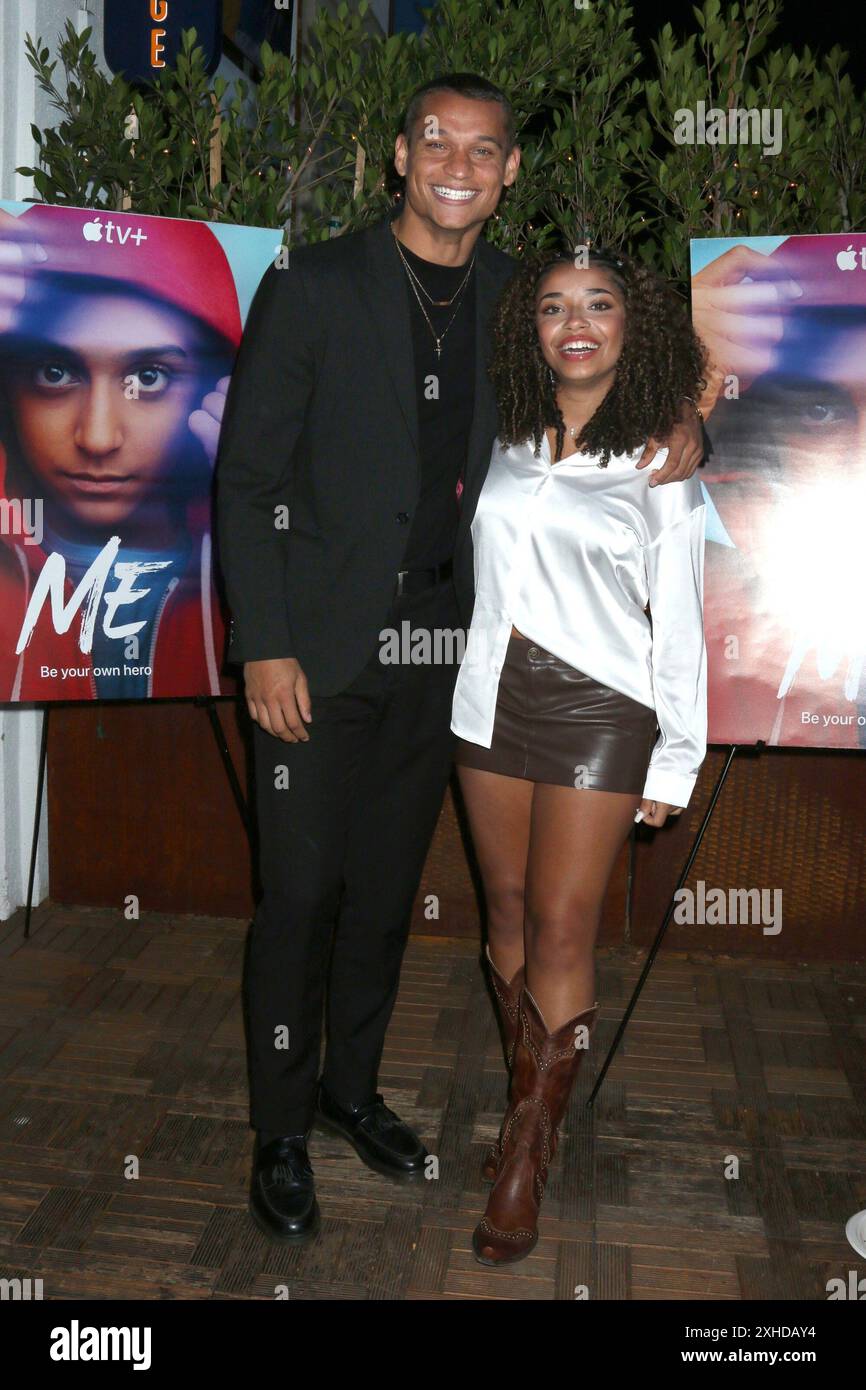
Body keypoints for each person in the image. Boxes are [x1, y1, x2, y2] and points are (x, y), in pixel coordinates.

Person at [214, 73, 704, 1245]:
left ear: (507, 172)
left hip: (447, 654)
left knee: (384, 892)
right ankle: (279, 1127)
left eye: (482, 149)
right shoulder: (313, 282)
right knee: (297, 894)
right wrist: (265, 643)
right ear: (399, 152)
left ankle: (349, 1094)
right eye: (435, 139)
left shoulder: (509, 300)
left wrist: (697, 425)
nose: (456, 163)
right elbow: (247, 478)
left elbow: (615, 379)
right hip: (316, 650)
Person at [450, 246, 709, 1265]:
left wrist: (673, 761)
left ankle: (522, 1152)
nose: (575, 322)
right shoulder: (505, 435)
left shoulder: (659, 456)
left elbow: (680, 621)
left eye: (597, 304)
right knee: (504, 914)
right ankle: (534, 1106)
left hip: (601, 709)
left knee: (562, 923)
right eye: (554, 304)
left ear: (628, 327)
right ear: (531, 328)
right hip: (485, 701)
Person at [0, 204, 237, 701]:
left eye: (148, 378)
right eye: (55, 373)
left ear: (215, 390)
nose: (99, 437)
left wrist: (253, 495)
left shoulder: (249, 575)